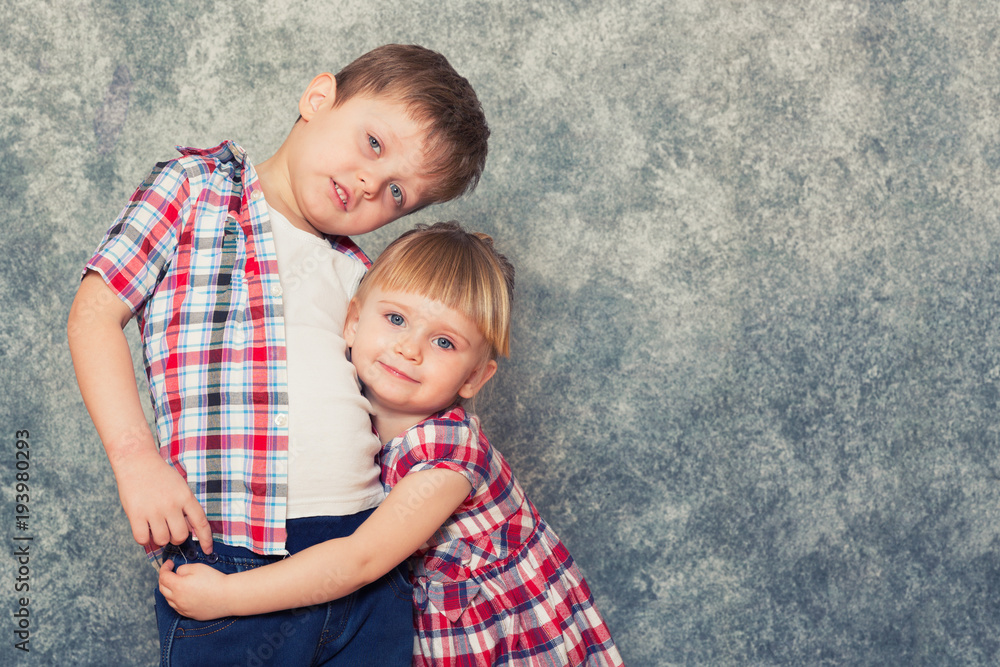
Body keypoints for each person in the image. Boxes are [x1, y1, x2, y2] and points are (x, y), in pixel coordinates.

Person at [67, 46, 489, 665]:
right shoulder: (195, 189)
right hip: (229, 553)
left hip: (364, 564)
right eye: (374, 143)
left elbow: (401, 405)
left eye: (397, 193)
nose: (371, 184)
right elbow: (94, 315)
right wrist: (135, 460)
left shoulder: (365, 280)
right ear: (319, 99)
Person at [159, 222, 624, 666]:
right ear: (352, 321)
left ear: (474, 378)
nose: (409, 349)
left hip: (505, 642)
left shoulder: (451, 452)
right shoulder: (346, 415)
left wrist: (228, 595)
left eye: (444, 342)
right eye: (396, 318)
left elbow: (359, 559)